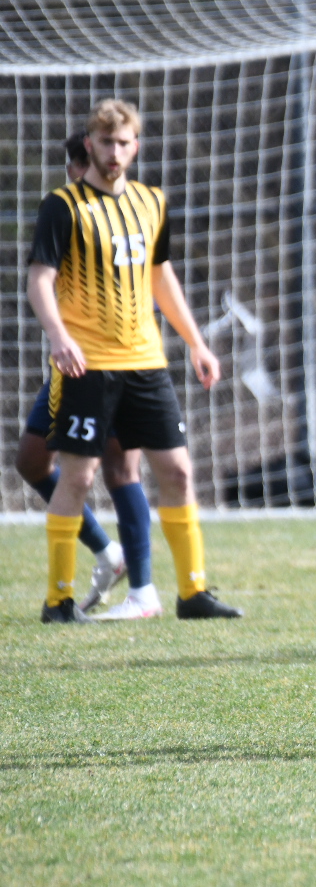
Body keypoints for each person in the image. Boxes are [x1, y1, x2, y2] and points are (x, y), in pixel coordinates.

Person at [26, 99, 242, 623]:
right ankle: (58, 601)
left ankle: (192, 593)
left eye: (124, 143)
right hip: (87, 364)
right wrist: (58, 336)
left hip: (146, 362)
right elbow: (39, 279)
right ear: (90, 144)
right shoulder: (63, 205)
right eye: (106, 143)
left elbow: (160, 276)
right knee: (78, 477)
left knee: (178, 472)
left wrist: (196, 343)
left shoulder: (151, 202)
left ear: (136, 146)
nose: (115, 152)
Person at [13, 132, 157, 618]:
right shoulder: (66, 212)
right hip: (72, 367)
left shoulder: (124, 215)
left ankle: (143, 589)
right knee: (32, 461)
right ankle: (107, 551)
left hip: (118, 366)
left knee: (118, 467)